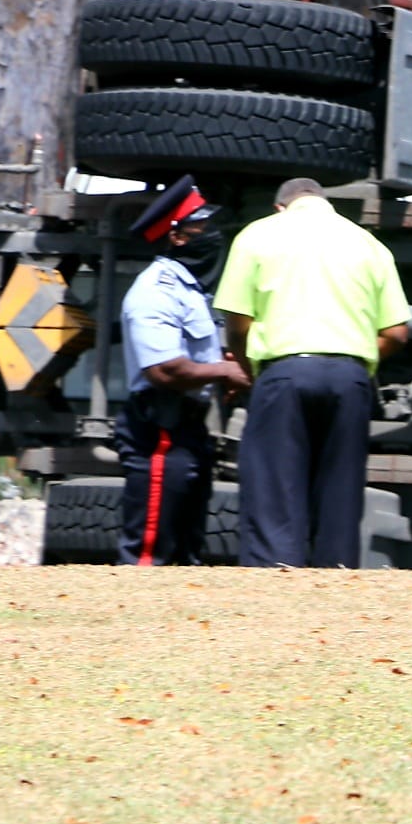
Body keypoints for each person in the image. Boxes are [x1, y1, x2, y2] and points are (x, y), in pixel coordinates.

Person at [215, 177, 411, 568]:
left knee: (274, 492)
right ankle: (333, 581)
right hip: (350, 375)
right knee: (340, 492)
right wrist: (347, 355)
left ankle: (275, 585)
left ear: (280, 207)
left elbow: (237, 321)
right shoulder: (368, 243)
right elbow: (396, 333)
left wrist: (250, 364)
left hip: (282, 372)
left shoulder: (257, 235)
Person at [117, 176, 249, 566]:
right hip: (160, 428)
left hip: (186, 428)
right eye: (202, 226)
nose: (211, 234)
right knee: (149, 552)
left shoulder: (188, 289)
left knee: (185, 550)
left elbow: (195, 354)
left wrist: (216, 366)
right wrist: (224, 371)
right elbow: (164, 370)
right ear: (176, 236)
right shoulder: (155, 291)